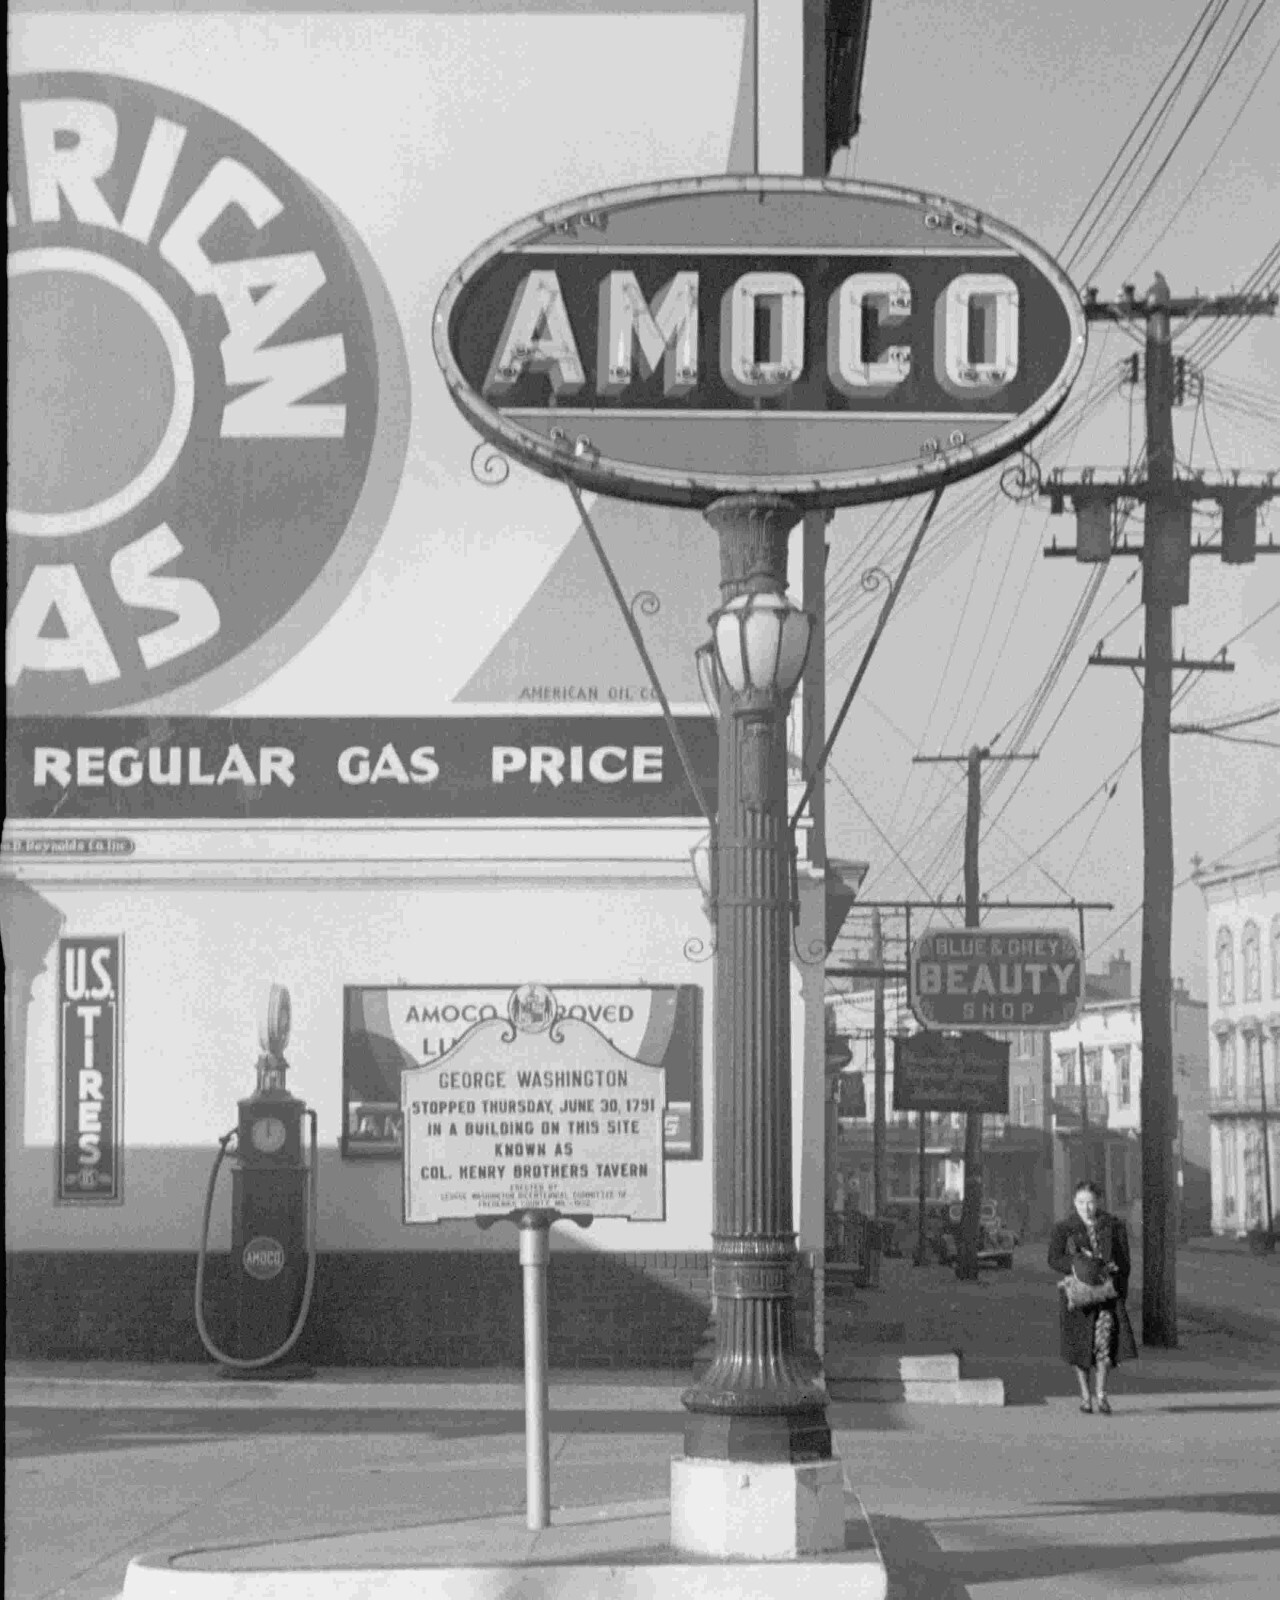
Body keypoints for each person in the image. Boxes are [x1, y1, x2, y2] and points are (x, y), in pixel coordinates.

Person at [1047, 1180, 1138, 1413]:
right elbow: (1054, 1259)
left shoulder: (1114, 1226)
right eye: (1080, 1202)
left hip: (1106, 1294)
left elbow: (1125, 1263)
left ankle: (1101, 1394)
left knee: (1104, 1345)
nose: (1086, 1208)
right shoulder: (1064, 1228)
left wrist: (1119, 1288)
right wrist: (1079, 1263)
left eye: (1090, 1202)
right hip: (1077, 1297)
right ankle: (1085, 1397)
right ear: (1074, 1202)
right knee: (1080, 1347)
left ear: (1099, 1202)